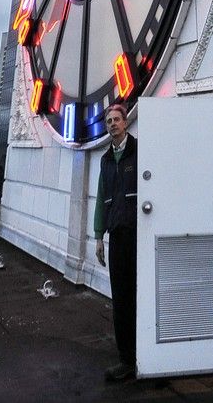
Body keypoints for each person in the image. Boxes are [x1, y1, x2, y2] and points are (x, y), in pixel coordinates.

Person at [94, 102, 137, 382]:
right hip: (117, 237)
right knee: (121, 298)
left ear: (126, 122)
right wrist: (98, 236)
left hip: (139, 234)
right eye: (108, 120)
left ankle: (147, 355)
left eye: (116, 119)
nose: (112, 124)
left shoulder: (140, 150)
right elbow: (101, 199)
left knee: (141, 295)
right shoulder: (106, 160)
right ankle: (126, 359)